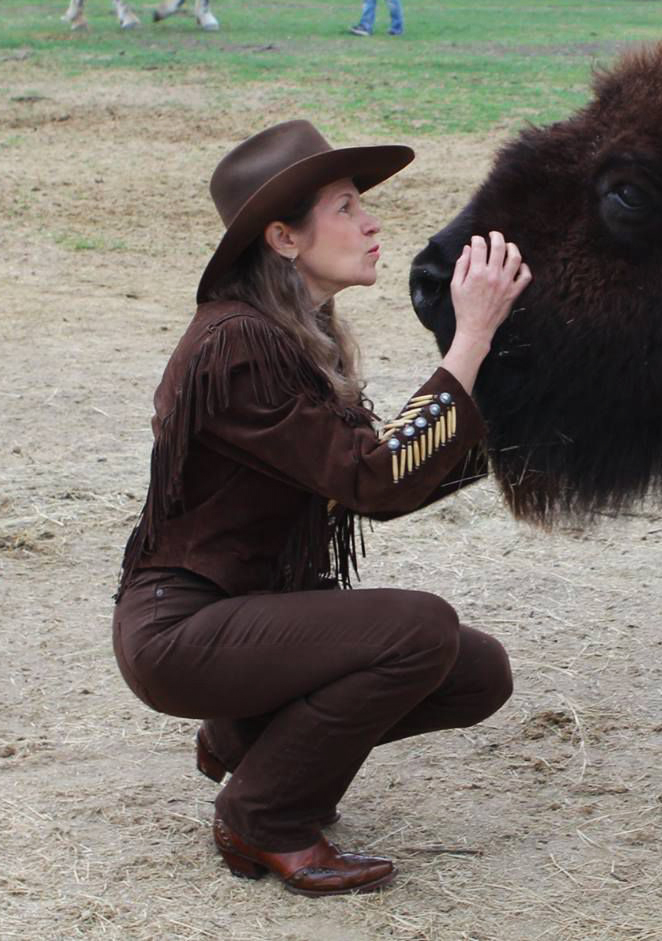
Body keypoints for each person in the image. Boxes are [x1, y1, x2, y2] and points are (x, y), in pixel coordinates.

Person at [111, 119, 531, 896]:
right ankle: (263, 814)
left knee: (477, 673)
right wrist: (469, 337)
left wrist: (511, 427)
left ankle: (247, 735)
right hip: (182, 630)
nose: (371, 222)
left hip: (243, 618)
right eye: (345, 207)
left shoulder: (296, 336)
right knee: (420, 628)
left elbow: (377, 483)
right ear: (282, 236)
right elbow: (374, 479)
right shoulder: (240, 344)